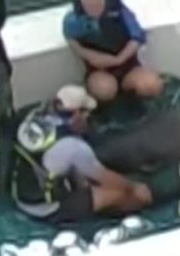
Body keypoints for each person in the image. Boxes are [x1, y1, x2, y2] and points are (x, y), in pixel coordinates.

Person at [11, 85, 153, 223]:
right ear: (77, 115)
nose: (88, 120)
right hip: (45, 208)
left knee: (82, 179)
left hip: (24, 191)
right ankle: (131, 215)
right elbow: (105, 177)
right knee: (119, 194)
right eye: (86, 115)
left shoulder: (33, 119)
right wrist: (134, 187)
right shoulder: (73, 147)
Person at [63, 0, 165, 105]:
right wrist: (92, 56)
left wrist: (119, 59)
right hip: (99, 70)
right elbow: (71, 41)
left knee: (152, 84)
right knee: (104, 89)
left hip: (128, 65)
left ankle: (131, 96)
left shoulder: (120, 12)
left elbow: (138, 37)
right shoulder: (73, 20)